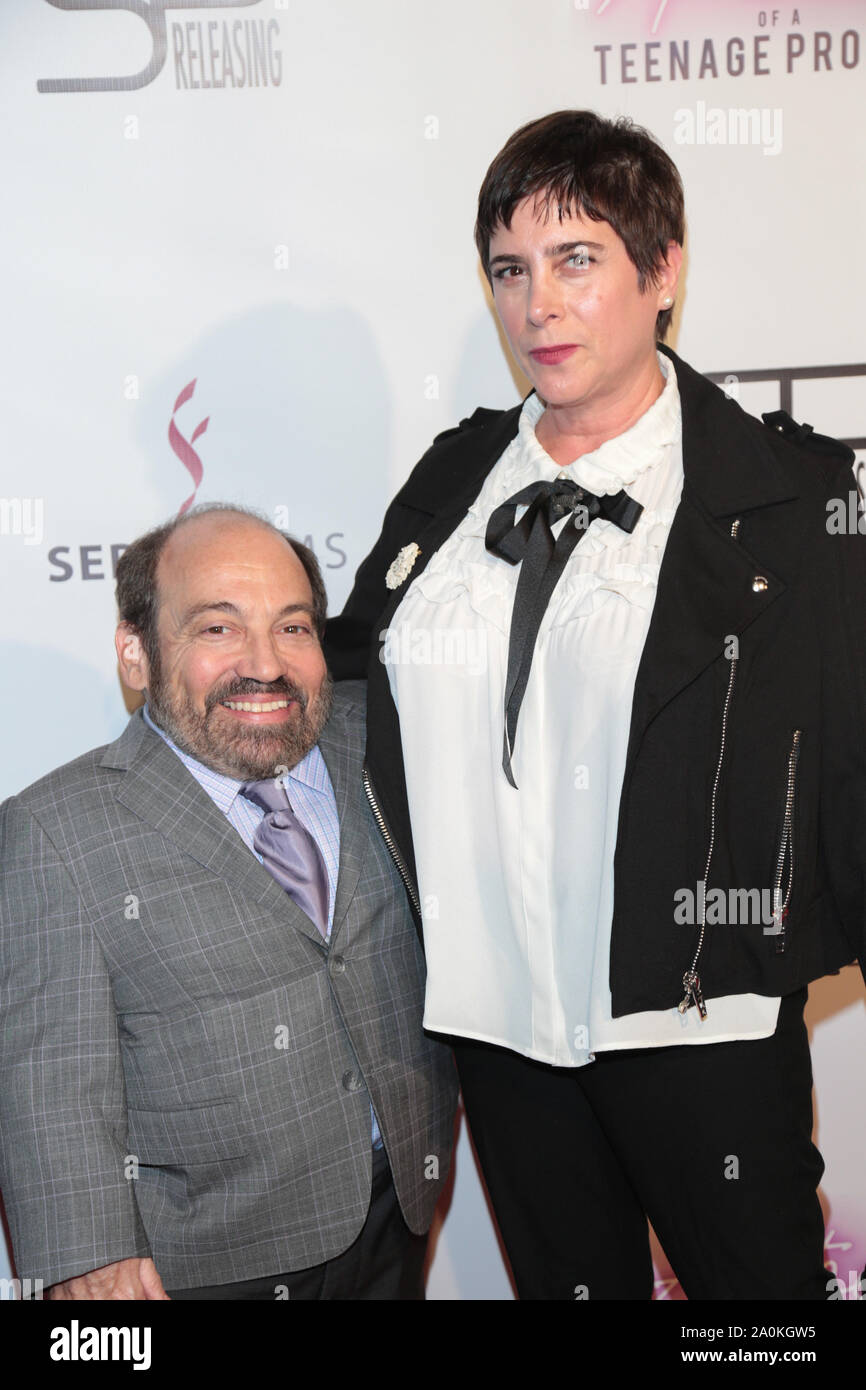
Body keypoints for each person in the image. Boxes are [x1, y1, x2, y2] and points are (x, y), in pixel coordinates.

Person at [325, 110, 866, 1300]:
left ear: (660, 271)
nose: (537, 307)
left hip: (694, 1019)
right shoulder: (455, 475)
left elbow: (846, 759)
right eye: (510, 270)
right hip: (497, 1021)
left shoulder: (788, 499)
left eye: (576, 260)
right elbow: (354, 680)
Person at [0, 503, 457, 1300]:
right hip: (209, 1261)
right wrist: (85, 1250)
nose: (266, 665)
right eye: (217, 629)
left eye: (293, 628)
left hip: (399, 1206)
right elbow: (50, 1069)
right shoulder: (54, 827)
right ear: (136, 654)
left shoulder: (383, 739)